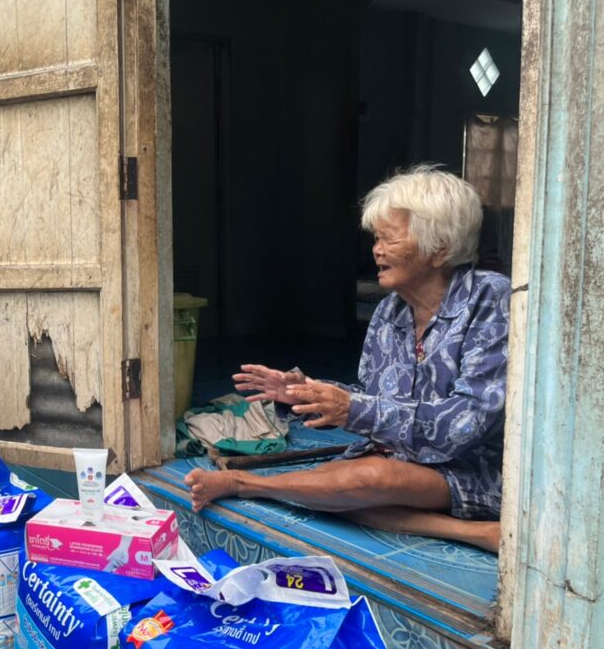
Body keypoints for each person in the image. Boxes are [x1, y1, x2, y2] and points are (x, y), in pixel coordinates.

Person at [186, 166, 509, 553]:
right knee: (334, 484)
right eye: (376, 238)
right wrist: (305, 394)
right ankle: (473, 533)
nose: (377, 250)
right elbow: (370, 397)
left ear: (440, 247)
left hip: (473, 468)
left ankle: (244, 484)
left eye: (389, 239)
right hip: (400, 460)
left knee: (366, 481)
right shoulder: (390, 311)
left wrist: (353, 408)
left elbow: (465, 423)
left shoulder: (491, 299)